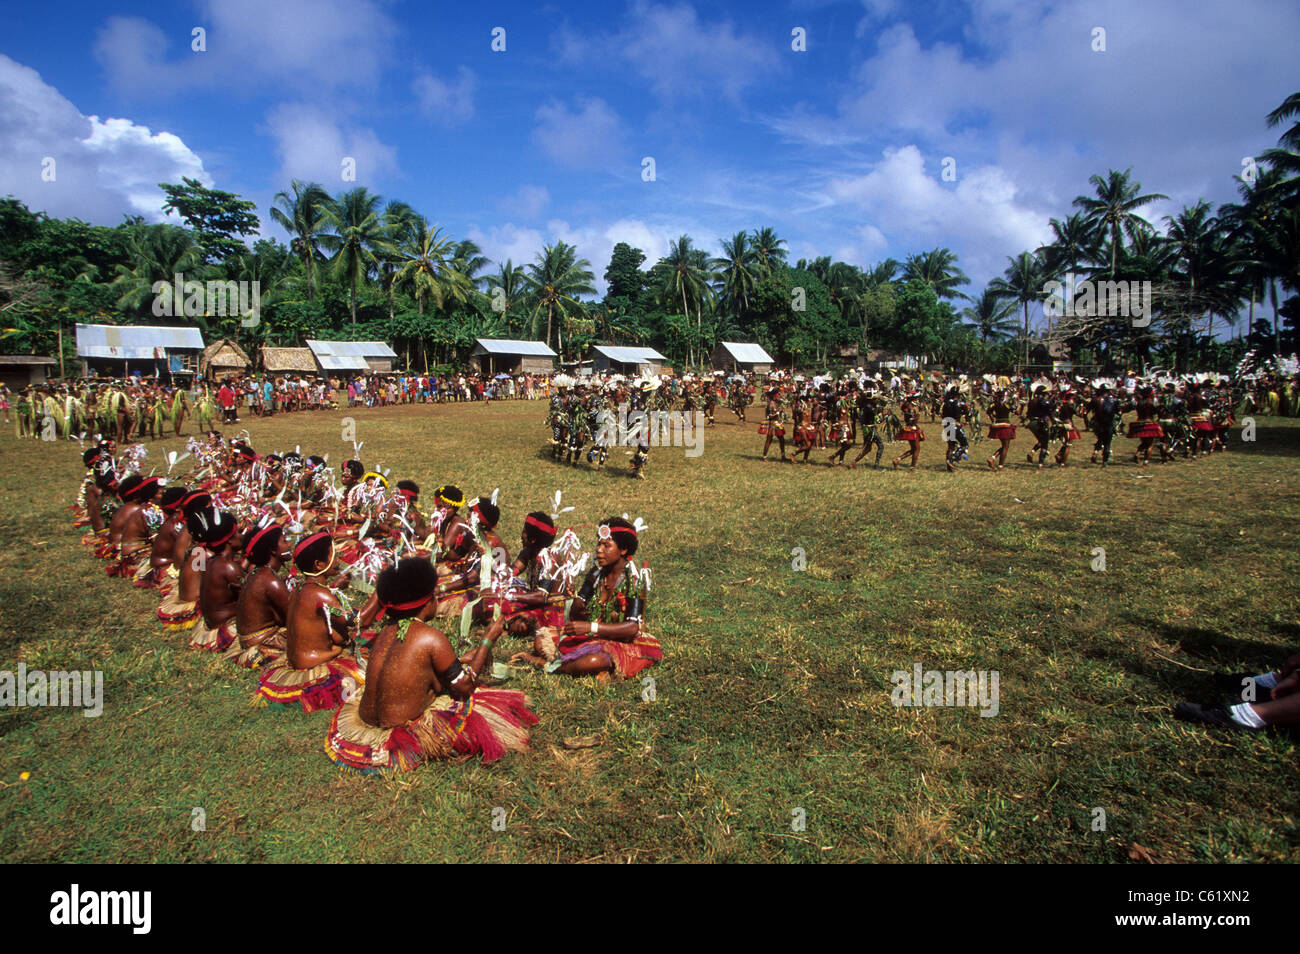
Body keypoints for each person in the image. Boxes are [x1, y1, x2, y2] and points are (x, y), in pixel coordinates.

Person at [325, 557, 537, 772]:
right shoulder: (431, 638)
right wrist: (488, 640)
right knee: (469, 702)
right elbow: (464, 687)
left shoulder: (385, 631)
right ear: (429, 600)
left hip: (361, 728)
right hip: (399, 735)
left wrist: (459, 660)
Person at [253, 531, 364, 712]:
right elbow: (354, 621)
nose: (339, 559)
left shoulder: (301, 588)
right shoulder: (319, 594)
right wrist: (380, 596)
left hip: (299, 661)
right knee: (363, 673)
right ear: (319, 564)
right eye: (334, 555)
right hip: (314, 664)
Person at [544, 517, 661, 680]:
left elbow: (632, 628)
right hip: (592, 637)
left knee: (595, 659)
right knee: (542, 641)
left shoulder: (634, 581)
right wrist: (576, 600)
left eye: (606, 545)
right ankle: (593, 669)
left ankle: (555, 667)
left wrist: (590, 628)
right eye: (599, 544)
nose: (599, 549)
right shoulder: (596, 574)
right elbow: (577, 614)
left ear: (623, 550)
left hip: (620, 641)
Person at [224, 522, 290, 669]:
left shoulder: (257, 573)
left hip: (249, 641)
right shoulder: (270, 580)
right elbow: (292, 618)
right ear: (273, 550)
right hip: (261, 645)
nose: (289, 545)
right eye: (285, 541)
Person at [190, 511, 242, 652]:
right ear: (229, 540)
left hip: (210, 621)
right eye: (238, 532)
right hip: (223, 626)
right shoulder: (201, 553)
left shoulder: (209, 559)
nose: (241, 535)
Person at [986, 390, 1016, 471]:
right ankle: (1000, 466)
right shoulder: (1006, 404)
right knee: (1006, 447)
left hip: (997, 425)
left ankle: (993, 458)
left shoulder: (994, 404)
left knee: (1004, 446)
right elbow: (1016, 412)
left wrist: (993, 419)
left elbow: (988, 412)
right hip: (1005, 425)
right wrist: (1021, 405)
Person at [891, 396, 924, 470]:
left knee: (913, 449)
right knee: (916, 450)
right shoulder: (911, 409)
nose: (917, 401)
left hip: (909, 429)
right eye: (916, 400)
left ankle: (897, 460)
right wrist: (919, 412)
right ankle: (912, 468)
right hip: (912, 430)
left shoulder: (908, 408)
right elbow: (914, 421)